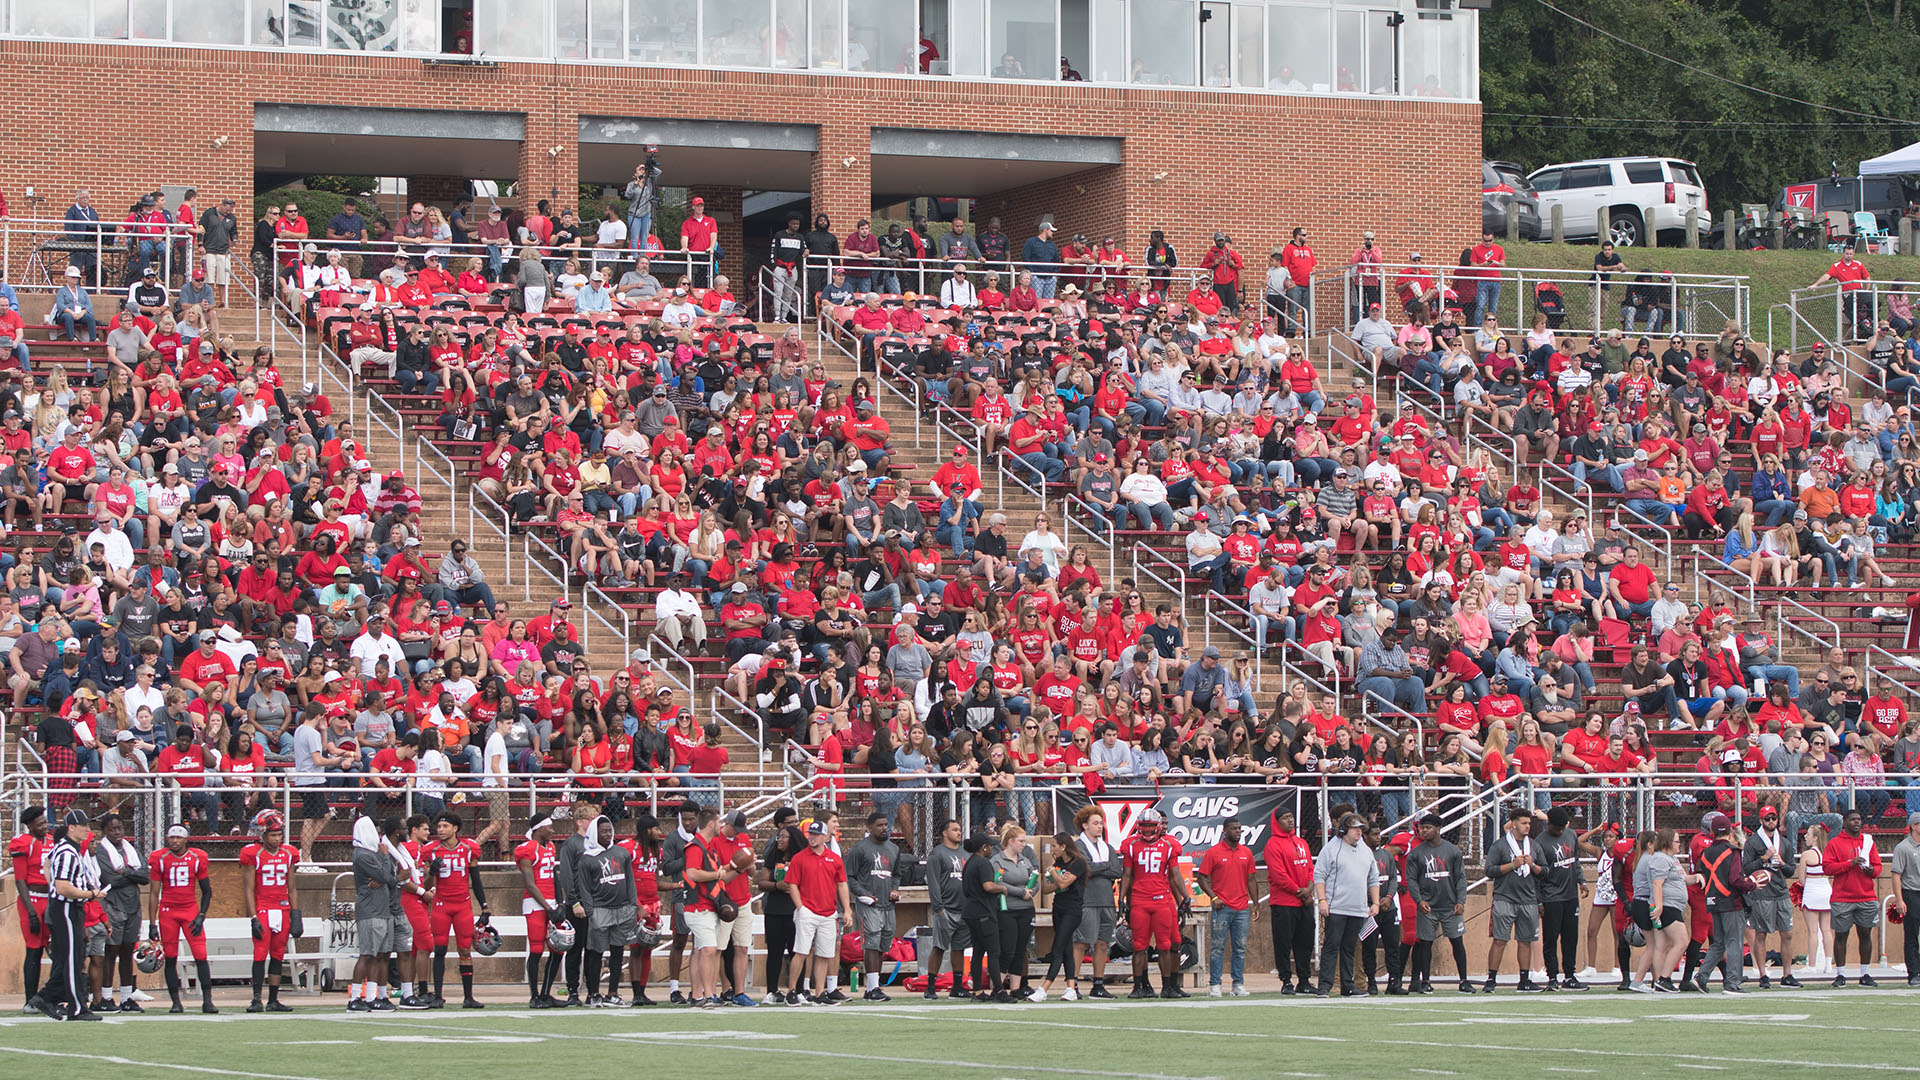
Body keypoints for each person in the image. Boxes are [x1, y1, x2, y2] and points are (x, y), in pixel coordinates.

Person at [32, 809, 104, 1021]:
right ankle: (76, 1007)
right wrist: (91, 894)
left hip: (67, 907)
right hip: (66, 907)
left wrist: (53, 883)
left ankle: (45, 997)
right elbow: (63, 887)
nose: (88, 831)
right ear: (72, 827)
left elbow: (47, 863)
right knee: (73, 959)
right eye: (84, 826)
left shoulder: (64, 848)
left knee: (70, 957)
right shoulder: (68, 852)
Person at [146, 822, 217, 1013]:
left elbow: (207, 891)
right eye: (172, 837)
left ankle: (208, 1001)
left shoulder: (196, 857)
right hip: (168, 911)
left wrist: (201, 915)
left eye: (179, 837)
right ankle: (176, 1002)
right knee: (170, 957)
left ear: (186, 839)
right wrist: (152, 924)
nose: (175, 841)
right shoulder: (159, 858)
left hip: (190, 911)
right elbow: (154, 893)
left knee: (201, 955)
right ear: (167, 838)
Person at [1120, 807, 1191, 999]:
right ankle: (1138, 986)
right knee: (1139, 946)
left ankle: (1168, 986)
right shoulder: (1132, 845)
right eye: (1145, 826)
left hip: (1161, 900)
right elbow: (1126, 875)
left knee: (1166, 944)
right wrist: (1121, 899)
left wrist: (1185, 897)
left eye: (1151, 826)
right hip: (1140, 900)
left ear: (1158, 826)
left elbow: (1175, 876)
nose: (1148, 830)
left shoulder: (1169, 846)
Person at [426, 809, 491, 1008]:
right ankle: (438, 996)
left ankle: (468, 997)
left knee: (465, 950)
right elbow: (426, 885)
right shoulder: (431, 850)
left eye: (445, 826)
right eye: (438, 826)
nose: (440, 830)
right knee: (439, 950)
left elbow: (476, 879)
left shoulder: (468, 848)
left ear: (455, 828)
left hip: (462, 904)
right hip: (441, 904)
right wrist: (432, 872)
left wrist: (485, 907)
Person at [784, 819, 850, 1006]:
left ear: (824, 836)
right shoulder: (800, 857)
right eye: (810, 834)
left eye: (815, 834)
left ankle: (820, 992)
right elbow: (792, 884)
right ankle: (791, 991)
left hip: (828, 912)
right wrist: (800, 907)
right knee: (801, 951)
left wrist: (847, 909)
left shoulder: (834, 859)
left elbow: (842, 884)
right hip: (808, 910)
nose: (812, 838)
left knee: (824, 954)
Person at [1313, 813, 1381, 997]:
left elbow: (1373, 878)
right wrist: (1322, 900)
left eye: (1361, 828)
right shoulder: (1331, 849)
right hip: (1336, 907)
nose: (1359, 832)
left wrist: (1375, 902)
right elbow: (1319, 875)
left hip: (1358, 909)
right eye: (1355, 828)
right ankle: (1324, 986)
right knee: (1331, 946)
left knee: (1349, 948)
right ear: (1344, 830)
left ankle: (1348, 985)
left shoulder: (1365, 850)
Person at [574, 813, 638, 1007]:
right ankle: (593, 993)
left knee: (618, 951)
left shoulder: (621, 853)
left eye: (609, 830)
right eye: (603, 831)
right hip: (600, 909)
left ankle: (613, 992)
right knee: (595, 952)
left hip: (622, 908)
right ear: (595, 833)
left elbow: (629, 880)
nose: (607, 834)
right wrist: (591, 911)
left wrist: (633, 904)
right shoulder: (587, 858)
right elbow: (583, 887)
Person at [1694, 811, 1761, 993]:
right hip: (1731, 902)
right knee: (1734, 942)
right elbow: (1735, 880)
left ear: (1712, 832)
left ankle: (1701, 976)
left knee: (1719, 942)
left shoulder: (1706, 853)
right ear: (1730, 833)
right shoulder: (1733, 852)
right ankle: (1732, 982)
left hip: (1713, 900)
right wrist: (1752, 885)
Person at [239, 809, 298, 1013]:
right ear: (262, 835)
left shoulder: (289, 853)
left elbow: (292, 887)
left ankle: (273, 999)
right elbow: (248, 888)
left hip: (282, 908)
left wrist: (296, 913)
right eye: (273, 834)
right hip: (263, 908)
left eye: (279, 834)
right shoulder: (253, 854)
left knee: (278, 955)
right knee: (260, 954)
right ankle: (256, 999)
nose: (277, 838)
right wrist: (253, 916)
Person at [1405, 812, 1471, 993]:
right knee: (1425, 943)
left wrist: (1460, 901)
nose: (1423, 831)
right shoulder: (1416, 853)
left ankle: (1464, 980)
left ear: (1438, 829)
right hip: (1428, 907)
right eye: (1421, 828)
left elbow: (1460, 878)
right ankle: (1425, 981)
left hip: (1450, 906)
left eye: (1427, 828)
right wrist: (1418, 900)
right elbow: (1411, 879)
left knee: (1457, 942)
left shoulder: (1452, 851)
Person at [91, 812, 148, 1014]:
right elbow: (110, 880)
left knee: (126, 952)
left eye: (120, 828)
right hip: (114, 906)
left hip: (133, 906)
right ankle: (106, 997)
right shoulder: (101, 852)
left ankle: (126, 998)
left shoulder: (130, 849)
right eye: (113, 829)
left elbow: (145, 876)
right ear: (104, 831)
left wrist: (127, 873)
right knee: (111, 951)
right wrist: (133, 874)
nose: (117, 832)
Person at [1483, 806, 1543, 992]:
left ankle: (1524, 980)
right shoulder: (1500, 845)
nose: (1527, 827)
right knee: (1500, 940)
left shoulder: (1534, 845)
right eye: (1524, 823)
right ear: (1514, 824)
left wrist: (1532, 865)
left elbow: (1545, 871)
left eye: (1529, 823)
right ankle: (1491, 979)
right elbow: (1489, 870)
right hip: (1504, 898)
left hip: (1528, 899)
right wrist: (1512, 865)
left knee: (1525, 940)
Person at [1196, 816, 1258, 997]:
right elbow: (1201, 877)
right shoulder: (1213, 853)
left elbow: (1252, 879)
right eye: (1234, 829)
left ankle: (1238, 983)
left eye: (1239, 828)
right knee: (1217, 947)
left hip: (1241, 908)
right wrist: (1214, 897)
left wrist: (1255, 903)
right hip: (1222, 908)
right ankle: (1215, 984)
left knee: (1240, 947)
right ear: (1225, 831)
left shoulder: (1246, 852)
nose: (1238, 831)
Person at [1741, 804, 1801, 989]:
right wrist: (1764, 859)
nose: (1771, 821)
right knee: (1760, 934)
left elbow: (1791, 870)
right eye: (1767, 818)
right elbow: (1746, 868)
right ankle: (1763, 975)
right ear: (1761, 820)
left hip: (1780, 892)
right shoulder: (1753, 842)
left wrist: (1782, 863)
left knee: (1788, 933)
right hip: (1761, 894)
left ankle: (1787, 974)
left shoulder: (1784, 843)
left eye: (1774, 818)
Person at [1823, 807, 1883, 988]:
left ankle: (1865, 973)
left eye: (1859, 819)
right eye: (1853, 819)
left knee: (1865, 934)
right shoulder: (1835, 843)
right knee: (1841, 935)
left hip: (1866, 895)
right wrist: (1850, 863)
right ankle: (1841, 974)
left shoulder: (1868, 842)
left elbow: (1878, 867)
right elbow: (1827, 868)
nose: (1857, 822)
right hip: (1842, 897)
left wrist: (1871, 870)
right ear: (1845, 822)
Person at [846, 812, 901, 1002]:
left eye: (886, 824)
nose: (884, 828)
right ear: (869, 827)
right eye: (879, 825)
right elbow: (850, 876)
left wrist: (894, 889)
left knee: (883, 945)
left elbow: (896, 874)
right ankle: (872, 987)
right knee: (871, 943)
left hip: (888, 904)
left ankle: (873, 987)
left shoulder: (894, 849)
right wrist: (862, 894)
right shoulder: (860, 849)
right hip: (869, 904)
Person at [348, 813, 400, 1012]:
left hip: (382, 909)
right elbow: (385, 874)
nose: (379, 836)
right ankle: (354, 998)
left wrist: (385, 873)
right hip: (370, 910)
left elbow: (391, 877)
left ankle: (371, 997)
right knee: (367, 955)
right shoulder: (363, 854)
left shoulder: (372, 853)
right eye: (376, 832)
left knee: (379, 954)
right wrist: (385, 862)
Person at [1535, 806, 1590, 991]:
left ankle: (1569, 975)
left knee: (1570, 937)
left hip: (1570, 896)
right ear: (1548, 823)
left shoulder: (1571, 835)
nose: (1560, 831)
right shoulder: (1540, 842)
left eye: (1562, 827)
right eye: (1557, 828)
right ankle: (1552, 977)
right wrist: (1539, 901)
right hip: (1551, 897)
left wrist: (1582, 881)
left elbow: (1575, 861)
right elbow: (1537, 875)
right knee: (1550, 938)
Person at [1070, 804, 1121, 999]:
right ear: (1084, 825)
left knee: (1102, 943)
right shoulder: (1078, 846)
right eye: (1095, 823)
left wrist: (1099, 867)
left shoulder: (1107, 847)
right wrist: (1104, 866)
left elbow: (1117, 870)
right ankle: (1072, 984)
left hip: (1107, 901)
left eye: (1101, 823)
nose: (1100, 827)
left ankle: (1098, 983)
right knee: (1081, 943)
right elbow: (1085, 868)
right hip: (1087, 900)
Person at [1264, 808, 1316, 994]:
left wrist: (1309, 889)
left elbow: (1310, 867)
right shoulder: (1272, 845)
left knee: (1305, 942)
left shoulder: (1301, 842)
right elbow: (1278, 875)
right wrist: (1299, 891)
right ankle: (1286, 980)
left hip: (1304, 902)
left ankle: (1304, 980)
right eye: (1285, 818)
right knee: (1283, 943)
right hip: (1284, 902)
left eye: (1291, 817)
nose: (1290, 820)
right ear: (1277, 822)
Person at [515, 813, 563, 1007]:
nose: (552, 830)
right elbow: (530, 884)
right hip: (535, 904)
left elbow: (554, 876)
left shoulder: (550, 847)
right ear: (540, 829)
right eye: (549, 827)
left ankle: (545, 993)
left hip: (551, 902)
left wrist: (560, 903)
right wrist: (548, 907)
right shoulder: (527, 849)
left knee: (558, 948)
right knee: (536, 949)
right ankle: (534, 996)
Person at [923, 817, 973, 999]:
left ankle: (957, 986)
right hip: (946, 909)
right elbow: (933, 883)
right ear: (945, 833)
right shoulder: (937, 854)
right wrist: (938, 908)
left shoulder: (966, 854)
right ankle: (930, 987)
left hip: (963, 909)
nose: (959, 832)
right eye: (954, 829)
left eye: (959, 829)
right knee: (939, 947)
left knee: (959, 948)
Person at [11, 805, 53, 1007]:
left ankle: (53, 997)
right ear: (30, 826)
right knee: (34, 950)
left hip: (52, 899)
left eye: (45, 822)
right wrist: (32, 914)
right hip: (33, 900)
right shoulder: (23, 844)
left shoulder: (52, 842)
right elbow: (20, 881)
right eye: (40, 824)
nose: (45, 826)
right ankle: (30, 1000)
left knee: (55, 949)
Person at [1891, 812, 1920, 986]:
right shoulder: (1903, 848)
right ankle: (1914, 973)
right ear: (1914, 826)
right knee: (1911, 935)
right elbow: (1896, 875)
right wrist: (1899, 899)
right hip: (1912, 893)